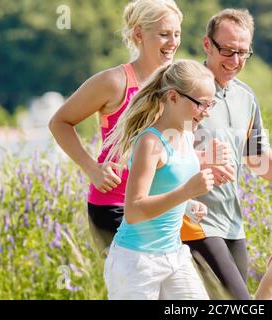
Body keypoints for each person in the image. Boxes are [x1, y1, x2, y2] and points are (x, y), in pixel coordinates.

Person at [180, 8, 272, 300]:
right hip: (192, 221)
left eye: (242, 53)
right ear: (206, 44)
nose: (235, 61)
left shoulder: (246, 98)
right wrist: (199, 160)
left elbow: (257, 159)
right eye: (227, 50)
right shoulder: (184, 91)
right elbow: (162, 154)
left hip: (232, 223)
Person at [48, 0, 183, 252]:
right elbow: (59, 122)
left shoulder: (178, 85)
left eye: (177, 34)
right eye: (164, 34)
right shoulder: (114, 81)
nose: (173, 42)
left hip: (162, 207)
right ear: (138, 34)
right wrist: (91, 168)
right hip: (114, 206)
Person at [103, 59, 217, 300]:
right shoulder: (150, 143)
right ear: (173, 97)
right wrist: (186, 192)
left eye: (211, 104)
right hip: (136, 262)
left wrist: (187, 206)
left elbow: (165, 184)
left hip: (174, 256)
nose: (206, 112)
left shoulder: (187, 133)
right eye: (201, 104)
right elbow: (134, 211)